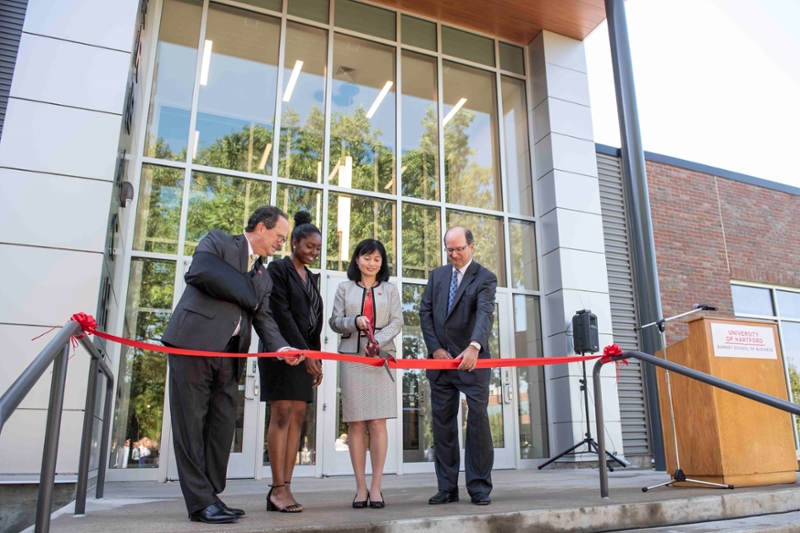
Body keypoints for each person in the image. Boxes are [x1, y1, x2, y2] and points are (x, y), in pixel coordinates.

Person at [161, 206, 298, 524]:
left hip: (229, 356)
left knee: (221, 429)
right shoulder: (219, 242)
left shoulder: (263, 276)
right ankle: (199, 503)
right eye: (279, 236)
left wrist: (282, 348)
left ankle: (210, 495)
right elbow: (201, 271)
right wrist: (248, 293)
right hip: (193, 345)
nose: (280, 244)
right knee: (190, 427)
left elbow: (264, 318)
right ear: (261, 228)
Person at [419, 226, 497, 506]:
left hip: (472, 362)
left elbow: (485, 313)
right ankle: (447, 487)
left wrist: (474, 346)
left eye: (459, 249)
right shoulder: (437, 276)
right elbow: (425, 312)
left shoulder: (485, 278)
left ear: (471, 246)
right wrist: (435, 349)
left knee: (477, 423)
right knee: (443, 427)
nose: (453, 254)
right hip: (441, 364)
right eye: (449, 249)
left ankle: (478, 488)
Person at [259, 211, 323, 513]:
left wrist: (315, 356)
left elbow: (313, 322)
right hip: (281, 351)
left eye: (318, 248)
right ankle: (277, 488)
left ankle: (287, 486)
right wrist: (304, 353)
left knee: (298, 415)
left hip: (305, 355)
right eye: (309, 246)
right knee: (282, 412)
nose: (313, 252)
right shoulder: (277, 269)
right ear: (294, 242)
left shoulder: (312, 278)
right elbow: (281, 313)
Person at [329, 239, 401, 510]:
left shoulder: (390, 290)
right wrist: (354, 321)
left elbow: (397, 321)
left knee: (378, 423)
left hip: (380, 358)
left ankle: (377, 486)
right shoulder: (343, 288)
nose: (372, 263)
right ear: (356, 260)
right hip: (352, 357)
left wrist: (377, 341)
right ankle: (360, 488)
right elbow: (335, 321)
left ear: (382, 263)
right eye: (366, 257)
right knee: (356, 423)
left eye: (377, 259)